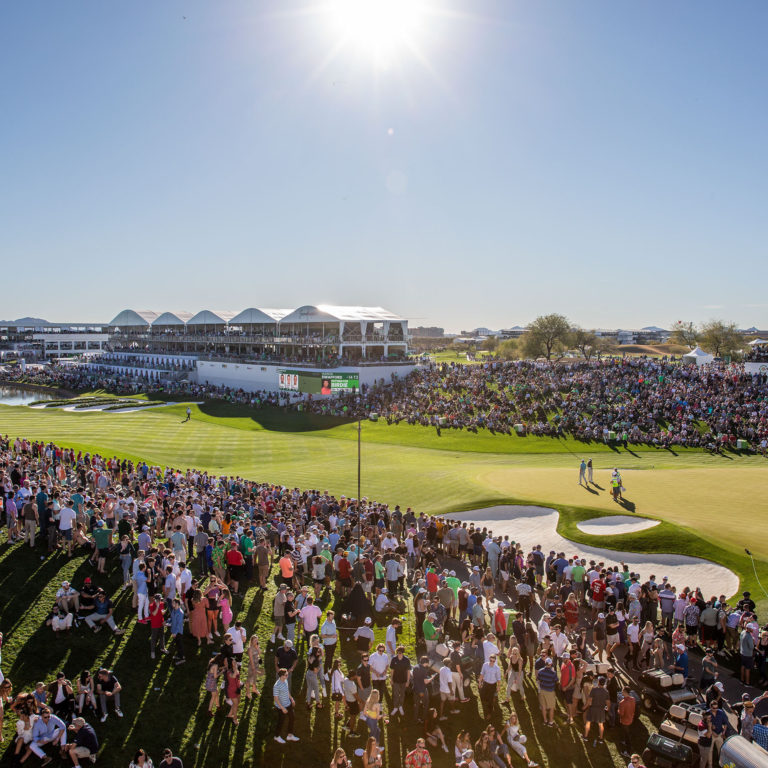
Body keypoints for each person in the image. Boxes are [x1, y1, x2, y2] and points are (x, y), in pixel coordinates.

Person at [273, 667, 299, 744]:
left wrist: (291, 699)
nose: (287, 676)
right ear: (282, 676)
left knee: (292, 718)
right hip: (281, 706)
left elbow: (287, 691)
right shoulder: (276, 686)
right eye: (286, 675)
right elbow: (276, 699)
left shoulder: (285, 681)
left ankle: (290, 735)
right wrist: (282, 708)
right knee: (281, 721)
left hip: (288, 703)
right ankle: (276, 736)